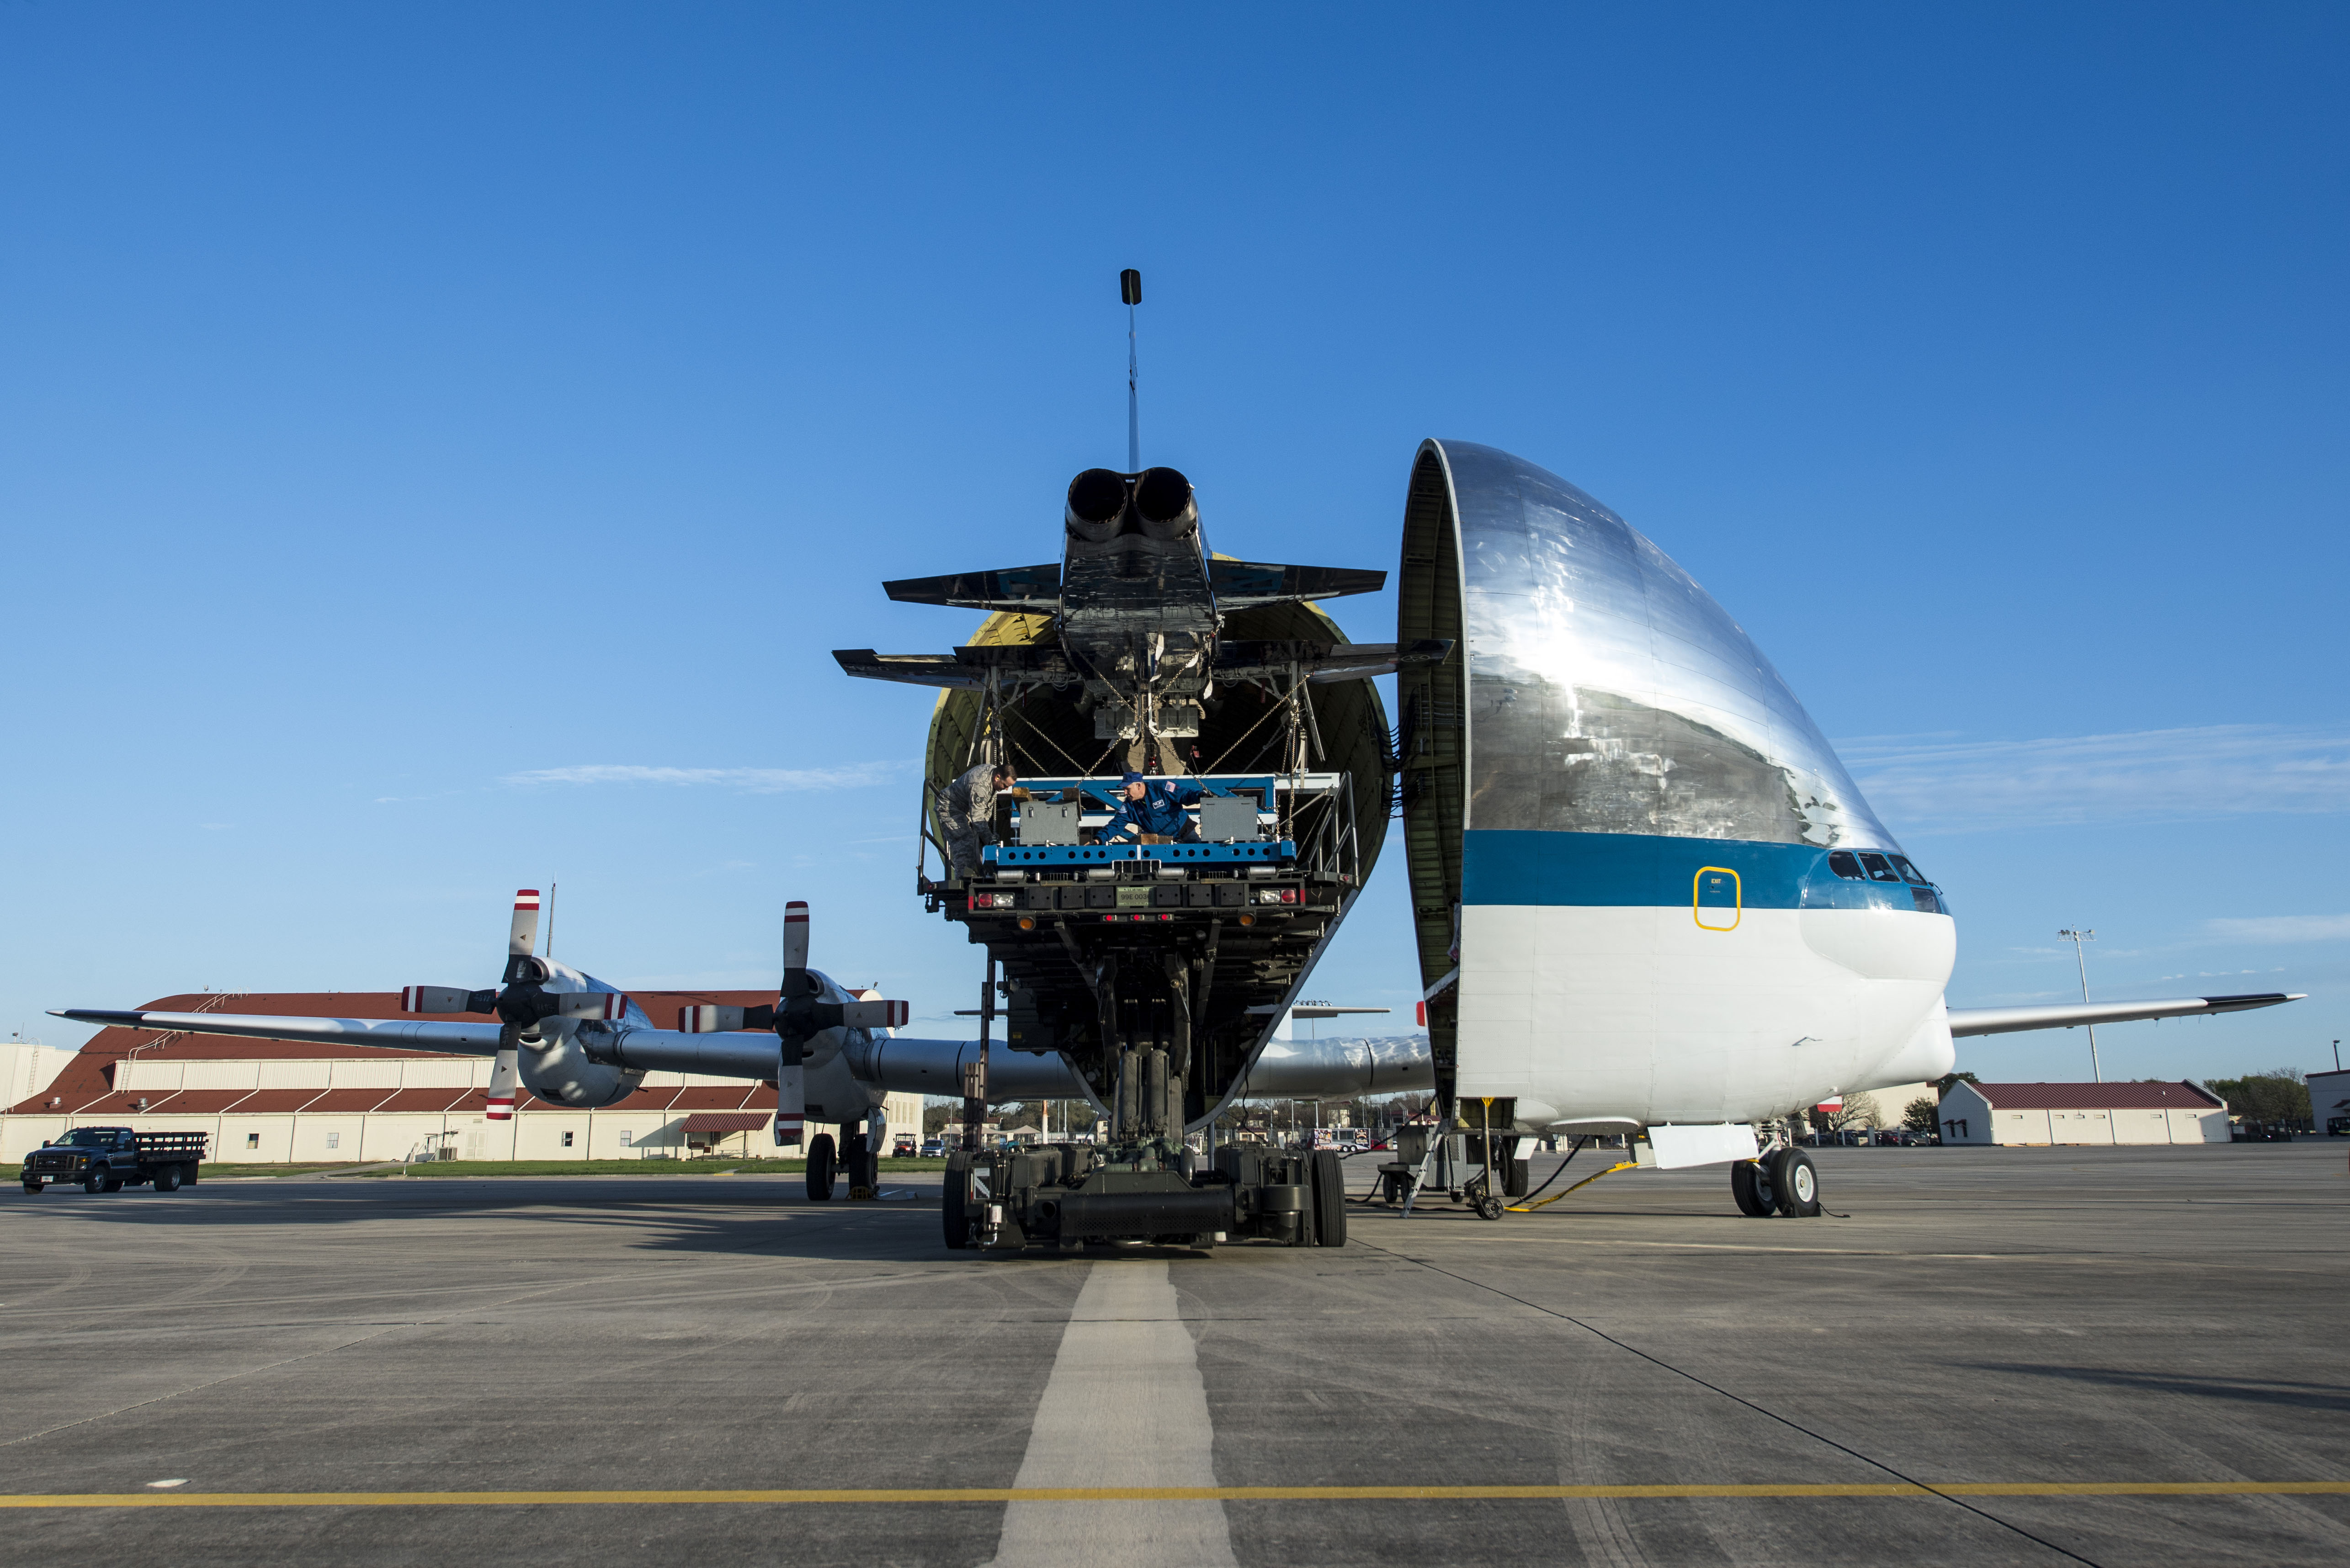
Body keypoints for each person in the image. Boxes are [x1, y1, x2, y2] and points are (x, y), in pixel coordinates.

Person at [939, 762, 1029, 879]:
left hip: (965, 811)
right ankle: (963, 880)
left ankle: (976, 875)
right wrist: (990, 839)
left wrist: (989, 838)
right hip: (950, 809)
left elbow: (986, 811)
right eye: (1005, 785)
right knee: (965, 844)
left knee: (975, 844)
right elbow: (978, 818)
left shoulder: (994, 775)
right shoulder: (979, 786)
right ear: (997, 778)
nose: (1006, 789)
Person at [1101, 769, 1201, 844]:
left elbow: (1184, 794)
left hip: (1186, 834)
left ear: (1139, 786)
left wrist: (1200, 796)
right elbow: (1116, 825)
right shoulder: (1129, 806)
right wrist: (1099, 840)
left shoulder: (1161, 788)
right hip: (1162, 843)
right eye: (1124, 789)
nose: (1125, 793)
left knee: (1199, 860)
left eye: (1128, 789)